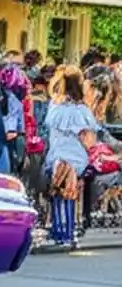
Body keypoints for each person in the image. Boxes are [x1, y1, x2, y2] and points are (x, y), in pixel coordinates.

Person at [44, 66, 97, 247]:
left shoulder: (54, 107)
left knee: (57, 191)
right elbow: (89, 140)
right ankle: (69, 230)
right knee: (71, 193)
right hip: (76, 159)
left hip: (56, 155)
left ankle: (57, 229)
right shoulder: (82, 110)